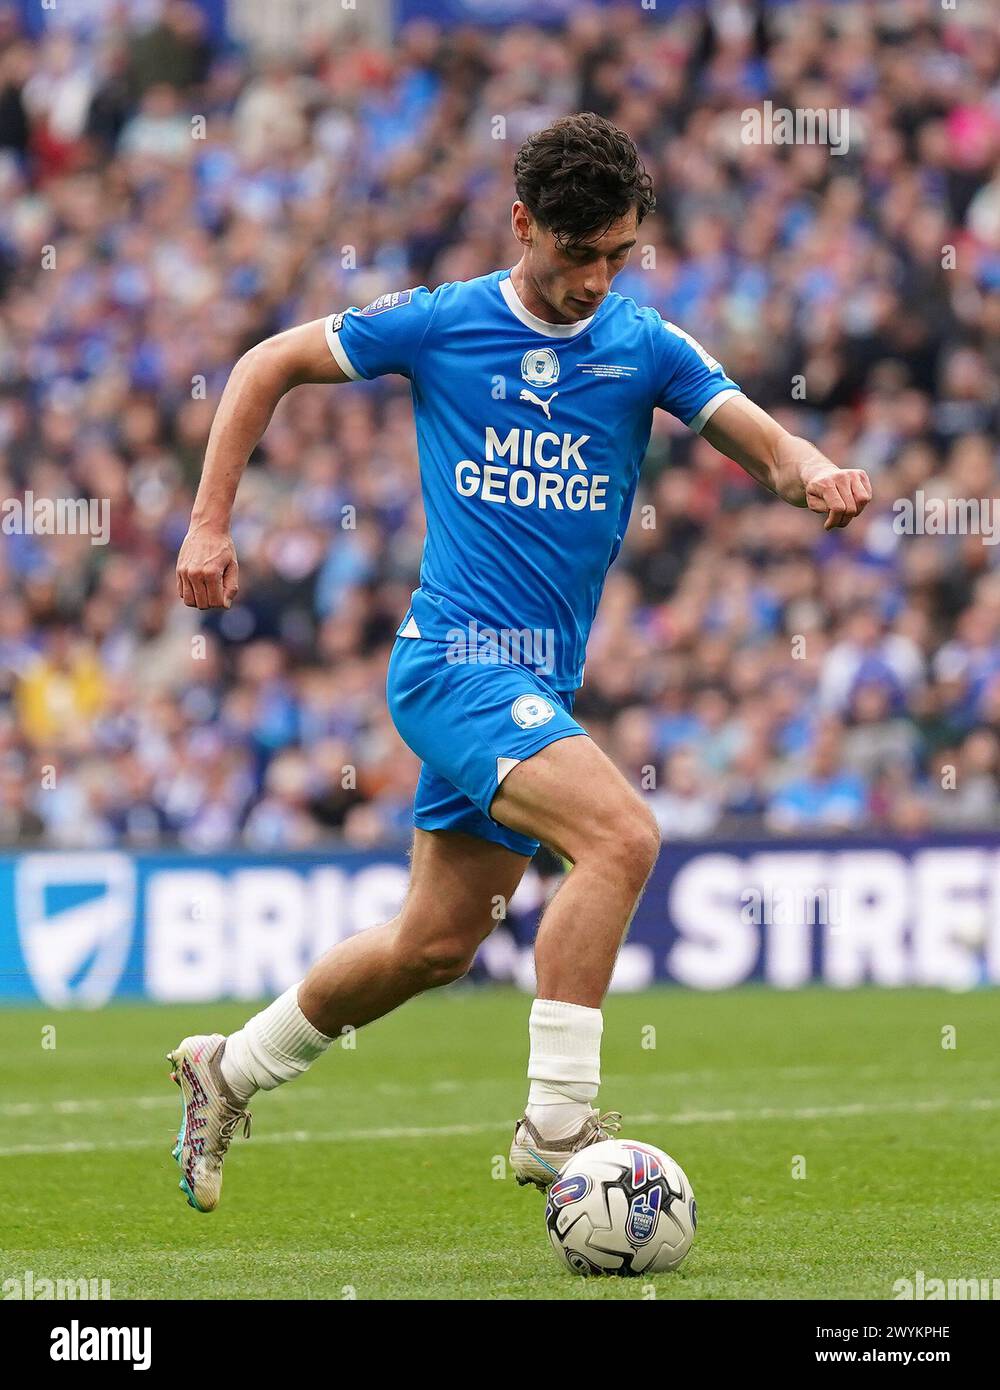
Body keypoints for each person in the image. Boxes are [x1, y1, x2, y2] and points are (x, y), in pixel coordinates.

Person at [169, 112, 872, 1212]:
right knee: (622, 836)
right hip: (454, 661)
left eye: (617, 255)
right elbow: (266, 364)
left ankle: (230, 1069)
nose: (595, 279)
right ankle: (555, 1126)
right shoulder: (440, 322)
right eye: (576, 252)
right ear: (522, 224)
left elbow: (765, 445)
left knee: (433, 944)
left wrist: (815, 471)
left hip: (536, 684)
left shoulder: (646, 345)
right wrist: (210, 524)